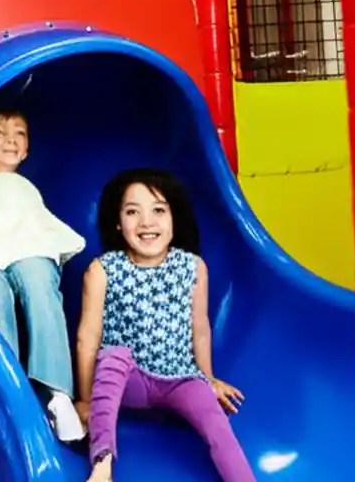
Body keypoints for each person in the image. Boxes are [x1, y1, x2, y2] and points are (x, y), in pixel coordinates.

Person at [76, 169, 254, 482]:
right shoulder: (103, 270)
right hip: (128, 381)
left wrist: (208, 378)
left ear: (174, 218)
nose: (146, 222)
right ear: (118, 223)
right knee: (113, 356)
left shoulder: (192, 267)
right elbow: (87, 338)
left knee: (216, 422)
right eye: (133, 212)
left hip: (179, 378)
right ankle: (102, 463)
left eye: (158, 210)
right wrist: (87, 400)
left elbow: (199, 327)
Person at [0, 108, 87, 441]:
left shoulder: (26, 190)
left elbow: (40, 232)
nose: (10, 138)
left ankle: (57, 393)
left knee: (39, 283)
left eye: (19, 133)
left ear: (26, 150)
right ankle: (9, 396)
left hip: (28, 249)